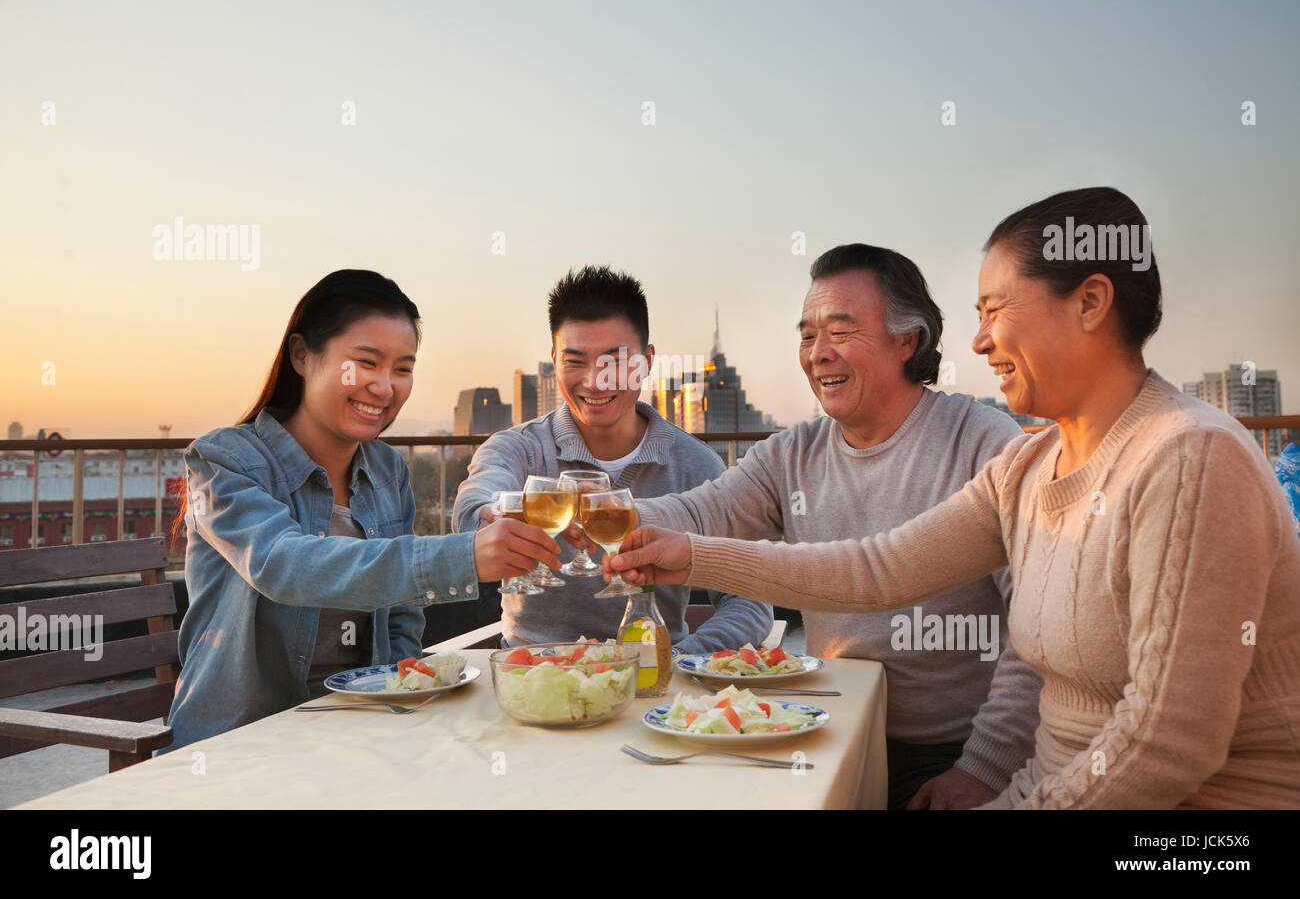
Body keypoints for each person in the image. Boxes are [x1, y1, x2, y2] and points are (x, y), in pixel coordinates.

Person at [610, 187, 1300, 808]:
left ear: (1091, 303)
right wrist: (686, 553)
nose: (978, 339)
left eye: (996, 309)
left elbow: (1166, 746)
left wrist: (999, 787)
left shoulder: (1190, 456)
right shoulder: (1028, 467)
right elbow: (873, 570)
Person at [632, 243, 1041, 810]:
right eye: (806, 336)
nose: (817, 354)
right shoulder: (792, 453)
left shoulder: (982, 442)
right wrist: (608, 516)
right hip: (820, 726)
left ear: (907, 340)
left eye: (840, 332)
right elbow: (705, 512)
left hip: (951, 751)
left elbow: (1035, 622)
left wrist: (986, 766)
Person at [166, 270, 559, 749]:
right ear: (301, 356)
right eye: (365, 363)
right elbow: (284, 565)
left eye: (402, 368)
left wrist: (402, 705)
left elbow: (401, 619)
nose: (384, 387)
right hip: (241, 744)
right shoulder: (222, 461)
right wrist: (464, 556)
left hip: (360, 731)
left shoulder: (387, 470)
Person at [452, 265, 773, 653]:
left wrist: (685, 659)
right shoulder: (518, 448)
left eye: (615, 361)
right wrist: (492, 515)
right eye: (575, 361)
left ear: (647, 361)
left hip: (655, 686)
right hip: (535, 680)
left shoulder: (697, 466)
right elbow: (475, 502)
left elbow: (750, 598)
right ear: (555, 359)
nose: (595, 380)